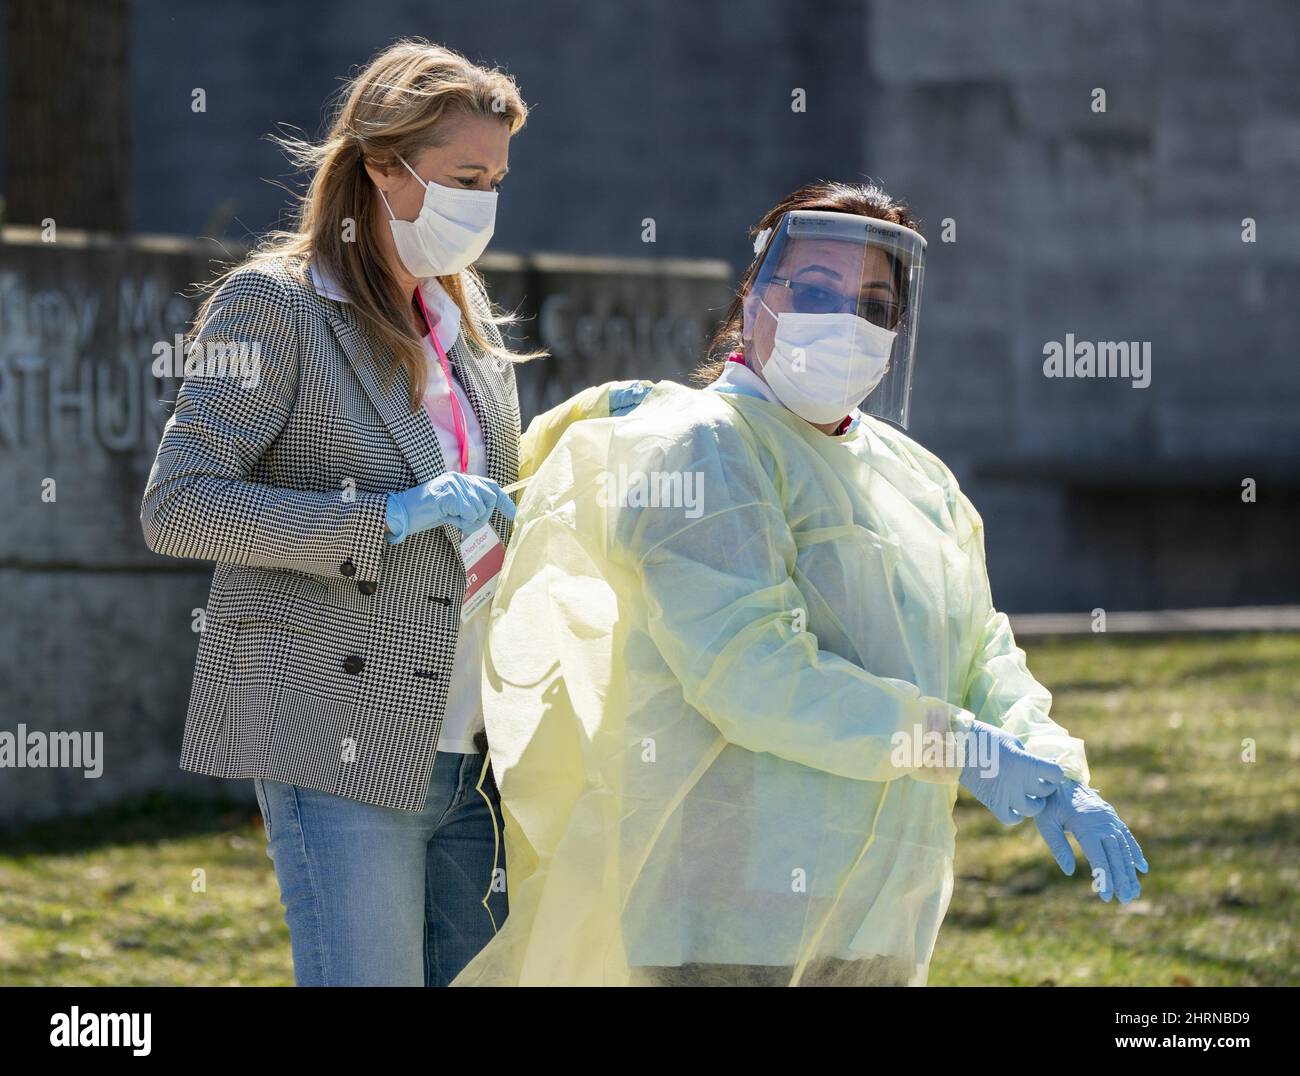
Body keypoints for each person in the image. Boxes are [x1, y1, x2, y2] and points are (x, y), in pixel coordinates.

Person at [452, 181, 1147, 987]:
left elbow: (981, 652)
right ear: (753, 296)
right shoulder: (699, 446)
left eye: (876, 303)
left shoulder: (918, 477)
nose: (847, 319)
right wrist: (960, 746)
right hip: (720, 917)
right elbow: (750, 672)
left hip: (885, 908)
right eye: (813, 290)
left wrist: (1051, 769)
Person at [142, 38, 554, 986]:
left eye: (494, 179)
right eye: (463, 176)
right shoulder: (273, 306)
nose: (482, 202)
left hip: (480, 752)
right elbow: (179, 507)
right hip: (338, 738)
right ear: (381, 167)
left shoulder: (466, 323)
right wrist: (383, 518)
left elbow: (495, 504)